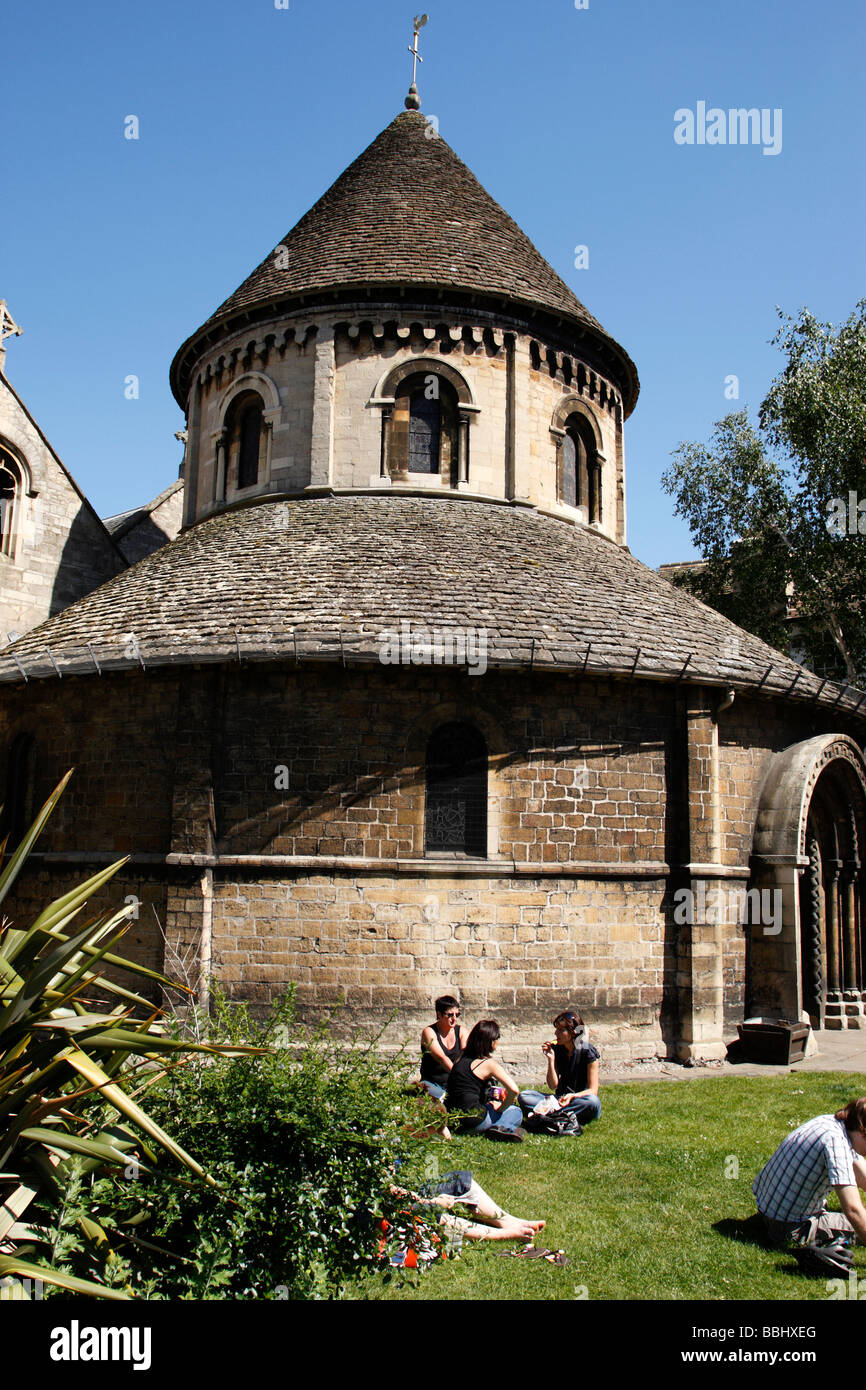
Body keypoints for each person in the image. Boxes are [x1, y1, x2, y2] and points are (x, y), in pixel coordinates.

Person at [752, 1097, 866, 1247]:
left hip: (767, 1209)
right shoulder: (837, 1143)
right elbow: (853, 1210)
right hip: (790, 1227)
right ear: (861, 1131)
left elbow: (862, 1173)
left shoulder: (831, 1123)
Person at [393, 1170, 546, 1242]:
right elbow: (389, 1192)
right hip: (390, 1210)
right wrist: (431, 1202)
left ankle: (509, 1221)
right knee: (428, 1212)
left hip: (406, 1193)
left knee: (459, 1180)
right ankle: (501, 1235)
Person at [445, 1019, 525, 1140]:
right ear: (491, 1042)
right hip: (474, 1121)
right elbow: (514, 1090)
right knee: (516, 1112)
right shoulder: (488, 1064)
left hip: (452, 1119)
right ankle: (500, 1128)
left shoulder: (461, 1056)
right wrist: (501, 1108)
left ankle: (497, 1127)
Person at [518, 1010, 601, 1126]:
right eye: (557, 1029)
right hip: (558, 1100)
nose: (556, 1034)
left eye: (561, 1030)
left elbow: (593, 1091)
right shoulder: (557, 1049)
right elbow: (553, 1085)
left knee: (593, 1102)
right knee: (524, 1096)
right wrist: (551, 1060)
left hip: (579, 1100)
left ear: (573, 1033)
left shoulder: (588, 1052)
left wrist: (573, 1096)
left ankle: (549, 1114)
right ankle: (559, 1114)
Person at [419, 995, 468, 1101]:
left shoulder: (461, 1031)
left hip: (454, 1084)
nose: (454, 1018)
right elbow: (441, 1058)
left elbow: (466, 1056)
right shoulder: (429, 1032)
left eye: (457, 1014)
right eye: (450, 1015)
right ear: (439, 1014)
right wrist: (460, 1077)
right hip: (432, 1084)